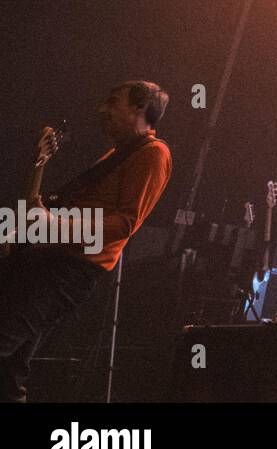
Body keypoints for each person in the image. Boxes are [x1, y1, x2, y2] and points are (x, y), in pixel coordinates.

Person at [0, 81, 172, 401]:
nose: (102, 110)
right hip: (50, 258)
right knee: (10, 367)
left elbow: (125, 223)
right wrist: (39, 168)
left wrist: (56, 224)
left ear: (139, 106)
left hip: (70, 269)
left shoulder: (154, 153)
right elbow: (43, 213)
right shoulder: (116, 154)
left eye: (113, 101)